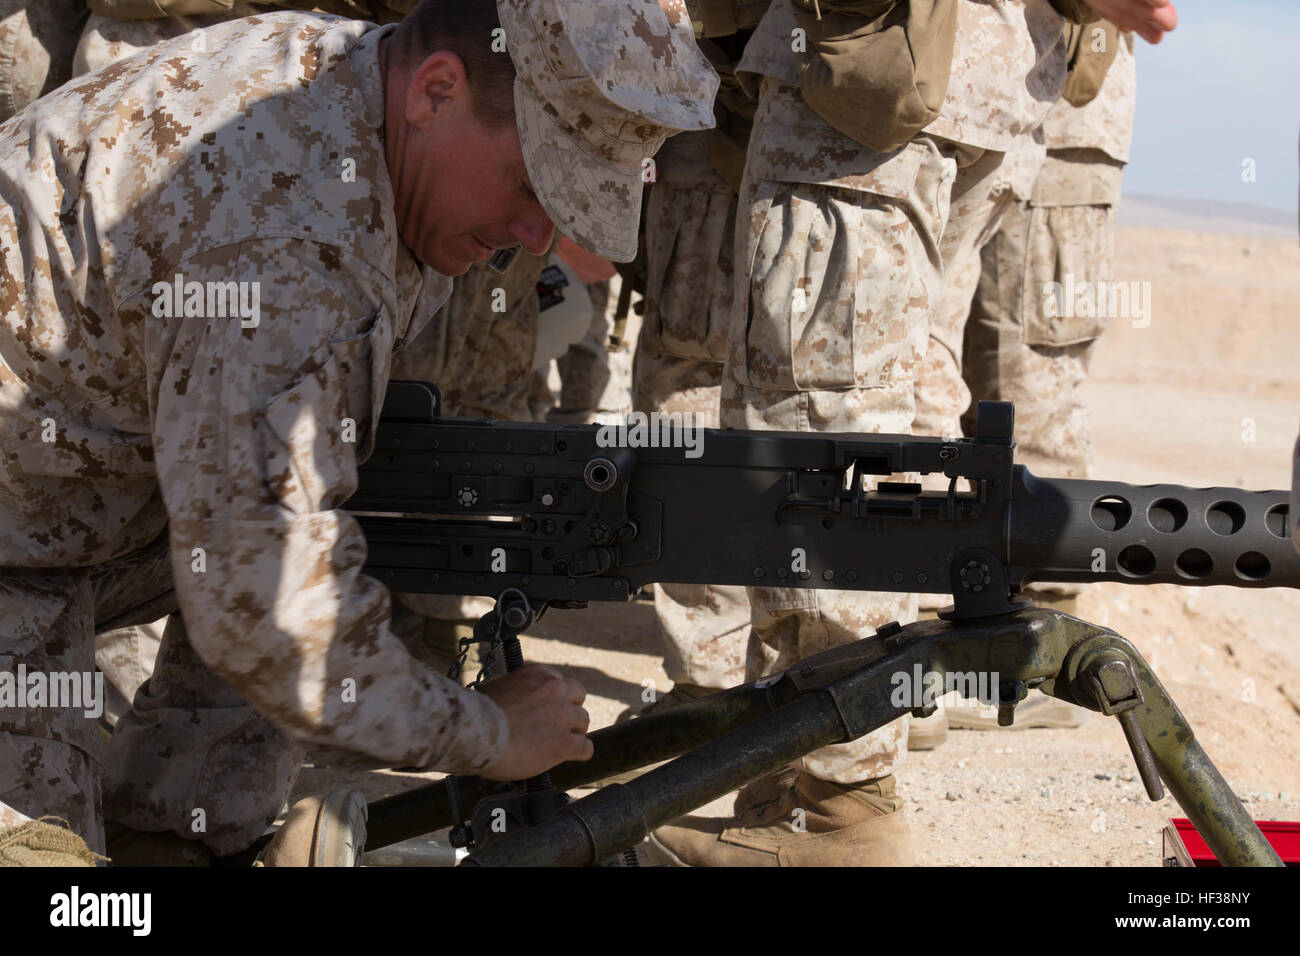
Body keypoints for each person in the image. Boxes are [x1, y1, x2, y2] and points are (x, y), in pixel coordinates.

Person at [0, 0, 717, 861]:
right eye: (533, 186)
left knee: (333, 514)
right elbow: (265, 610)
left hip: (64, 514)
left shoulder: (349, 90)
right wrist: (488, 732)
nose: (536, 237)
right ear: (436, 90)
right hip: (28, 542)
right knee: (59, 883)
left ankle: (176, 838)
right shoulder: (290, 239)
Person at [646, 0, 1177, 867]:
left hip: (872, 85)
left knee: (819, 442)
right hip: (964, 80)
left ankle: (837, 812)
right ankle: (797, 779)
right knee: (891, 418)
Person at [908, 19, 1137, 748]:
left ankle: (1034, 660)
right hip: (972, 88)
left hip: (1058, 102)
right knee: (933, 344)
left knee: (1025, 368)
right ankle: (929, 635)